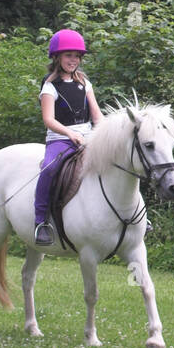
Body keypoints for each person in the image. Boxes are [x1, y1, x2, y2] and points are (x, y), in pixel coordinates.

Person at [34, 29, 102, 246]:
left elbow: (97, 114)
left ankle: (136, 217)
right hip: (60, 139)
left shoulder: (84, 82)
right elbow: (49, 119)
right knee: (49, 168)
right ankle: (41, 221)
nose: (73, 60)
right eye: (68, 55)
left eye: (76, 56)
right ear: (57, 57)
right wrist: (70, 133)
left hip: (88, 137)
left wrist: (105, 133)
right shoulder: (49, 86)